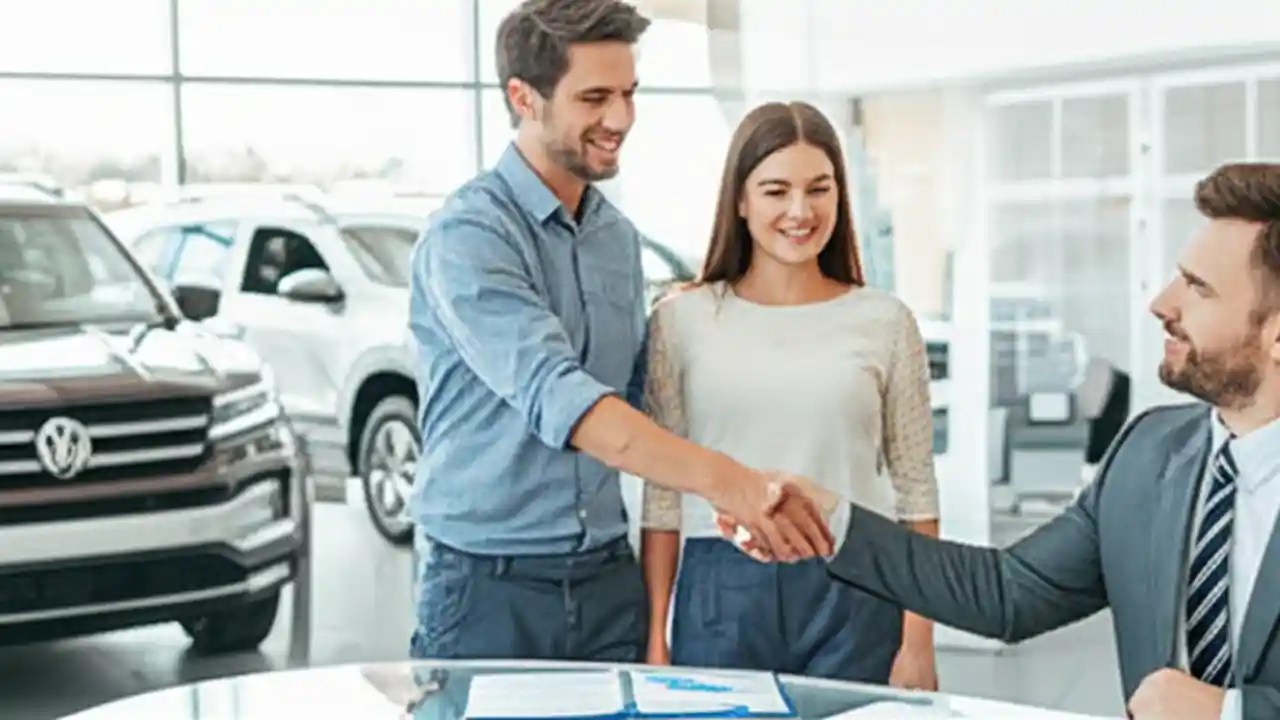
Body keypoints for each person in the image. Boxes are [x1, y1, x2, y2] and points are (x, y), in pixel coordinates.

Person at [721, 163, 1280, 719]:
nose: (1162, 303)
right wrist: (830, 517)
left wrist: (1231, 712)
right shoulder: (1150, 452)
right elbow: (1007, 592)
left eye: (1199, 288)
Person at [406, 0, 832, 664]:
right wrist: (729, 483)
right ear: (523, 97)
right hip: (488, 589)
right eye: (595, 98)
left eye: (629, 93)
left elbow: (636, 404)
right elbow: (566, 401)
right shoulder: (469, 236)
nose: (622, 118)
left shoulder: (615, 238)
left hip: (607, 578)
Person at [639, 101, 940, 689]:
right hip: (719, 586)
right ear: (740, 200)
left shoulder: (885, 321)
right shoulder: (681, 320)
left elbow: (916, 492)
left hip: (857, 585)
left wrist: (918, 642)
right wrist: (655, 635)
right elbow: (662, 497)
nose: (801, 212)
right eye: (776, 191)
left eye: (818, 189)